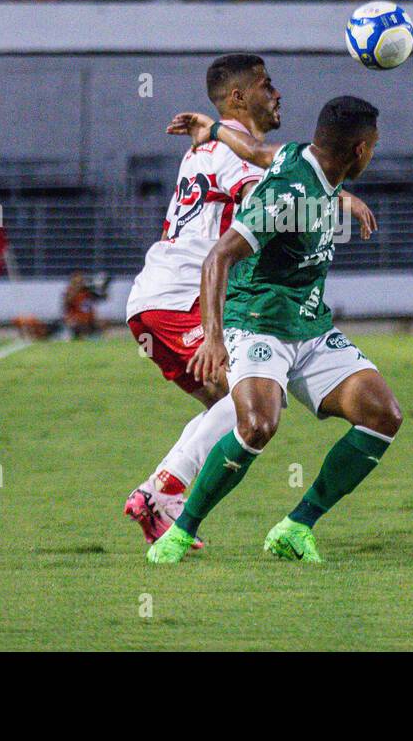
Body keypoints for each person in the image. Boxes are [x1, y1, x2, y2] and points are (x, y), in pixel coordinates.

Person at [122, 56, 376, 546]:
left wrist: (214, 128)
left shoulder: (215, 144)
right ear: (239, 96)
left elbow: (267, 158)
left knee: (238, 406)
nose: (277, 94)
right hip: (183, 298)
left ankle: (158, 498)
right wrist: (340, 195)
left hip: (159, 299)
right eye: (267, 86)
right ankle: (163, 490)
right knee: (260, 402)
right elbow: (278, 189)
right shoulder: (235, 157)